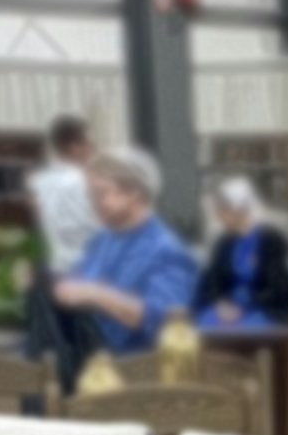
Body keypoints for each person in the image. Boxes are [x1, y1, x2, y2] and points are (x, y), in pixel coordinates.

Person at [28, 145, 199, 386]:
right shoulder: (103, 240)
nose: (94, 203)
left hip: (131, 368)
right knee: (41, 288)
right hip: (88, 357)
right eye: (92, 195)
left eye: (101, 194)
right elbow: (76, 289)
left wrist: (96, 294)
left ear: (134, 193)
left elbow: (167, 323)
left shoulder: (167, 251)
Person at [194, 177, 288, 329]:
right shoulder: (224, 242)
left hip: (262, 310)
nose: (218, 216)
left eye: (222, 210)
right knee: (202, 326)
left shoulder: (272, 240)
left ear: (237, 210)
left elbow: (277, 288)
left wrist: (242, 308)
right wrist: (221, 304)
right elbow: (213, 281)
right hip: (226, 309)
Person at [27, 115, 97, 276]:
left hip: (54, 269)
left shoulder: (38, 182)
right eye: (89, 143)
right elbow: (99, 228)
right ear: (75, 147)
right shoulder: (85, 182)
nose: (93, 148)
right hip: (88, 269)